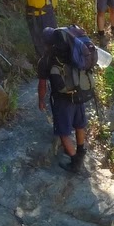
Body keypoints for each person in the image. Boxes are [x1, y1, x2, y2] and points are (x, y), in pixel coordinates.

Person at [37, 27, 87, 173]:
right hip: (78, 94)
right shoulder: (71, 51)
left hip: (62, 99)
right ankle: (81, 150)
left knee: (63, 132)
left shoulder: (45, 60)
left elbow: (42, 84)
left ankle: (75, 162)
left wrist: (41, 100)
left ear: (45, 43)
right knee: (79, 124)